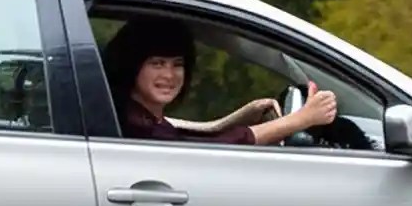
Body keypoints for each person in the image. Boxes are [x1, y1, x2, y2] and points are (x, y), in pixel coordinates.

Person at [101, 16, 337, 145]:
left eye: (177, 64)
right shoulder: (134, 124)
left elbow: (183, 136)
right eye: (157, 63)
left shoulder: (130, 116)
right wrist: (301, 120)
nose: (169, 75)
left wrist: (240, 117)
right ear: (132, 65)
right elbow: (207, 148)